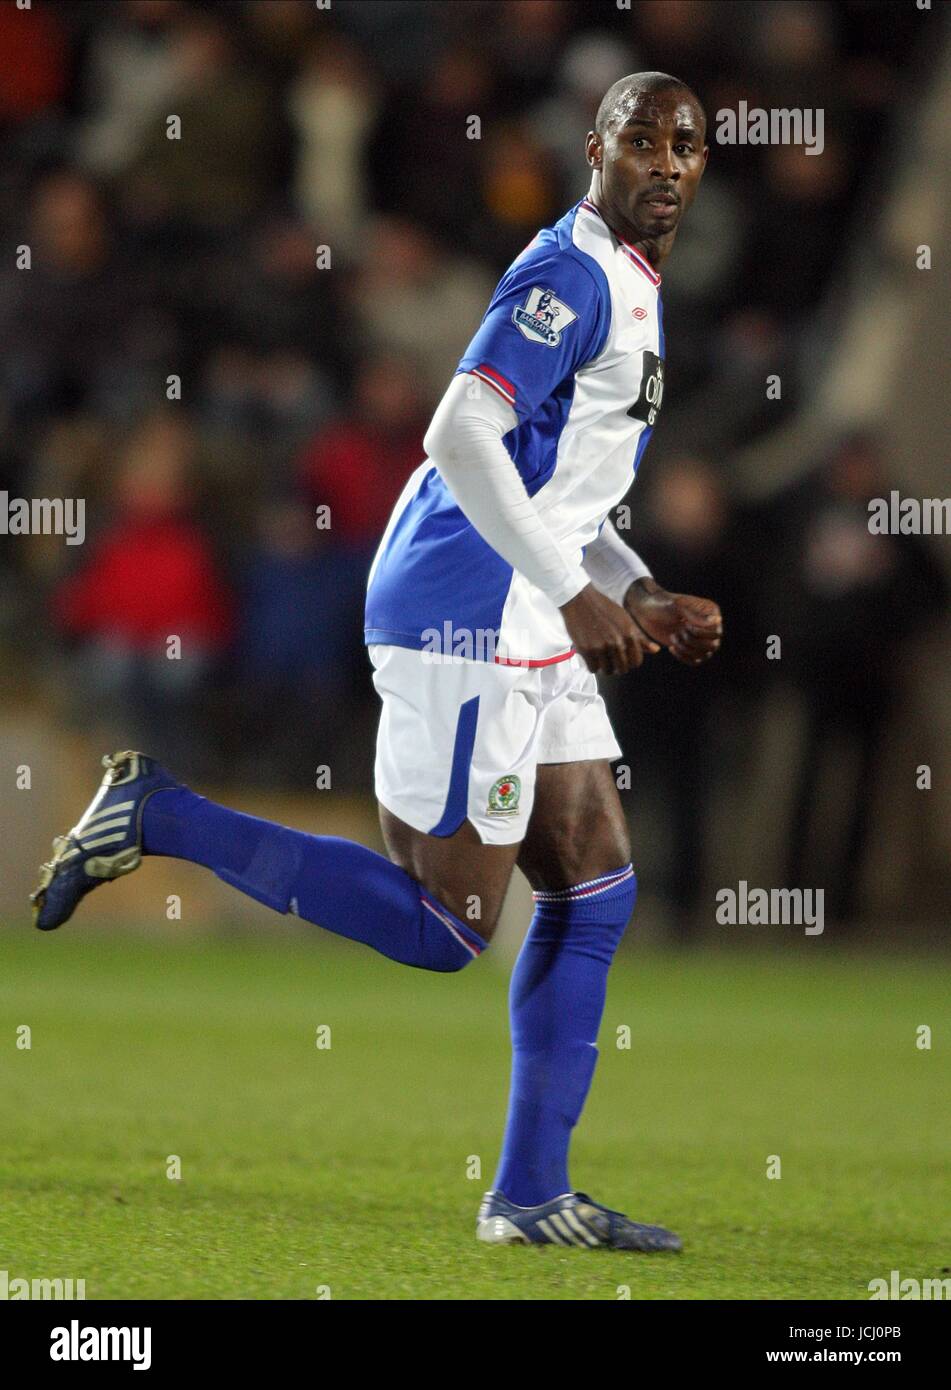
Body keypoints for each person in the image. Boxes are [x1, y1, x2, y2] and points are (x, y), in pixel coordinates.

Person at [32, 73, 722, 1253]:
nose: (666, 162)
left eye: (688, 145)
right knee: (449, 926)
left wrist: (635, 587)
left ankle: (528, 1194)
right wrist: (569, 590)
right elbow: (460, 431)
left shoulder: (637, 285)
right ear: (596, 148)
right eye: (641, 139)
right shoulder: (569, 275)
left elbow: (560, 484)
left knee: (597, 886)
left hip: (527, 595)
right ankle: (161, 811)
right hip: (468, 601)